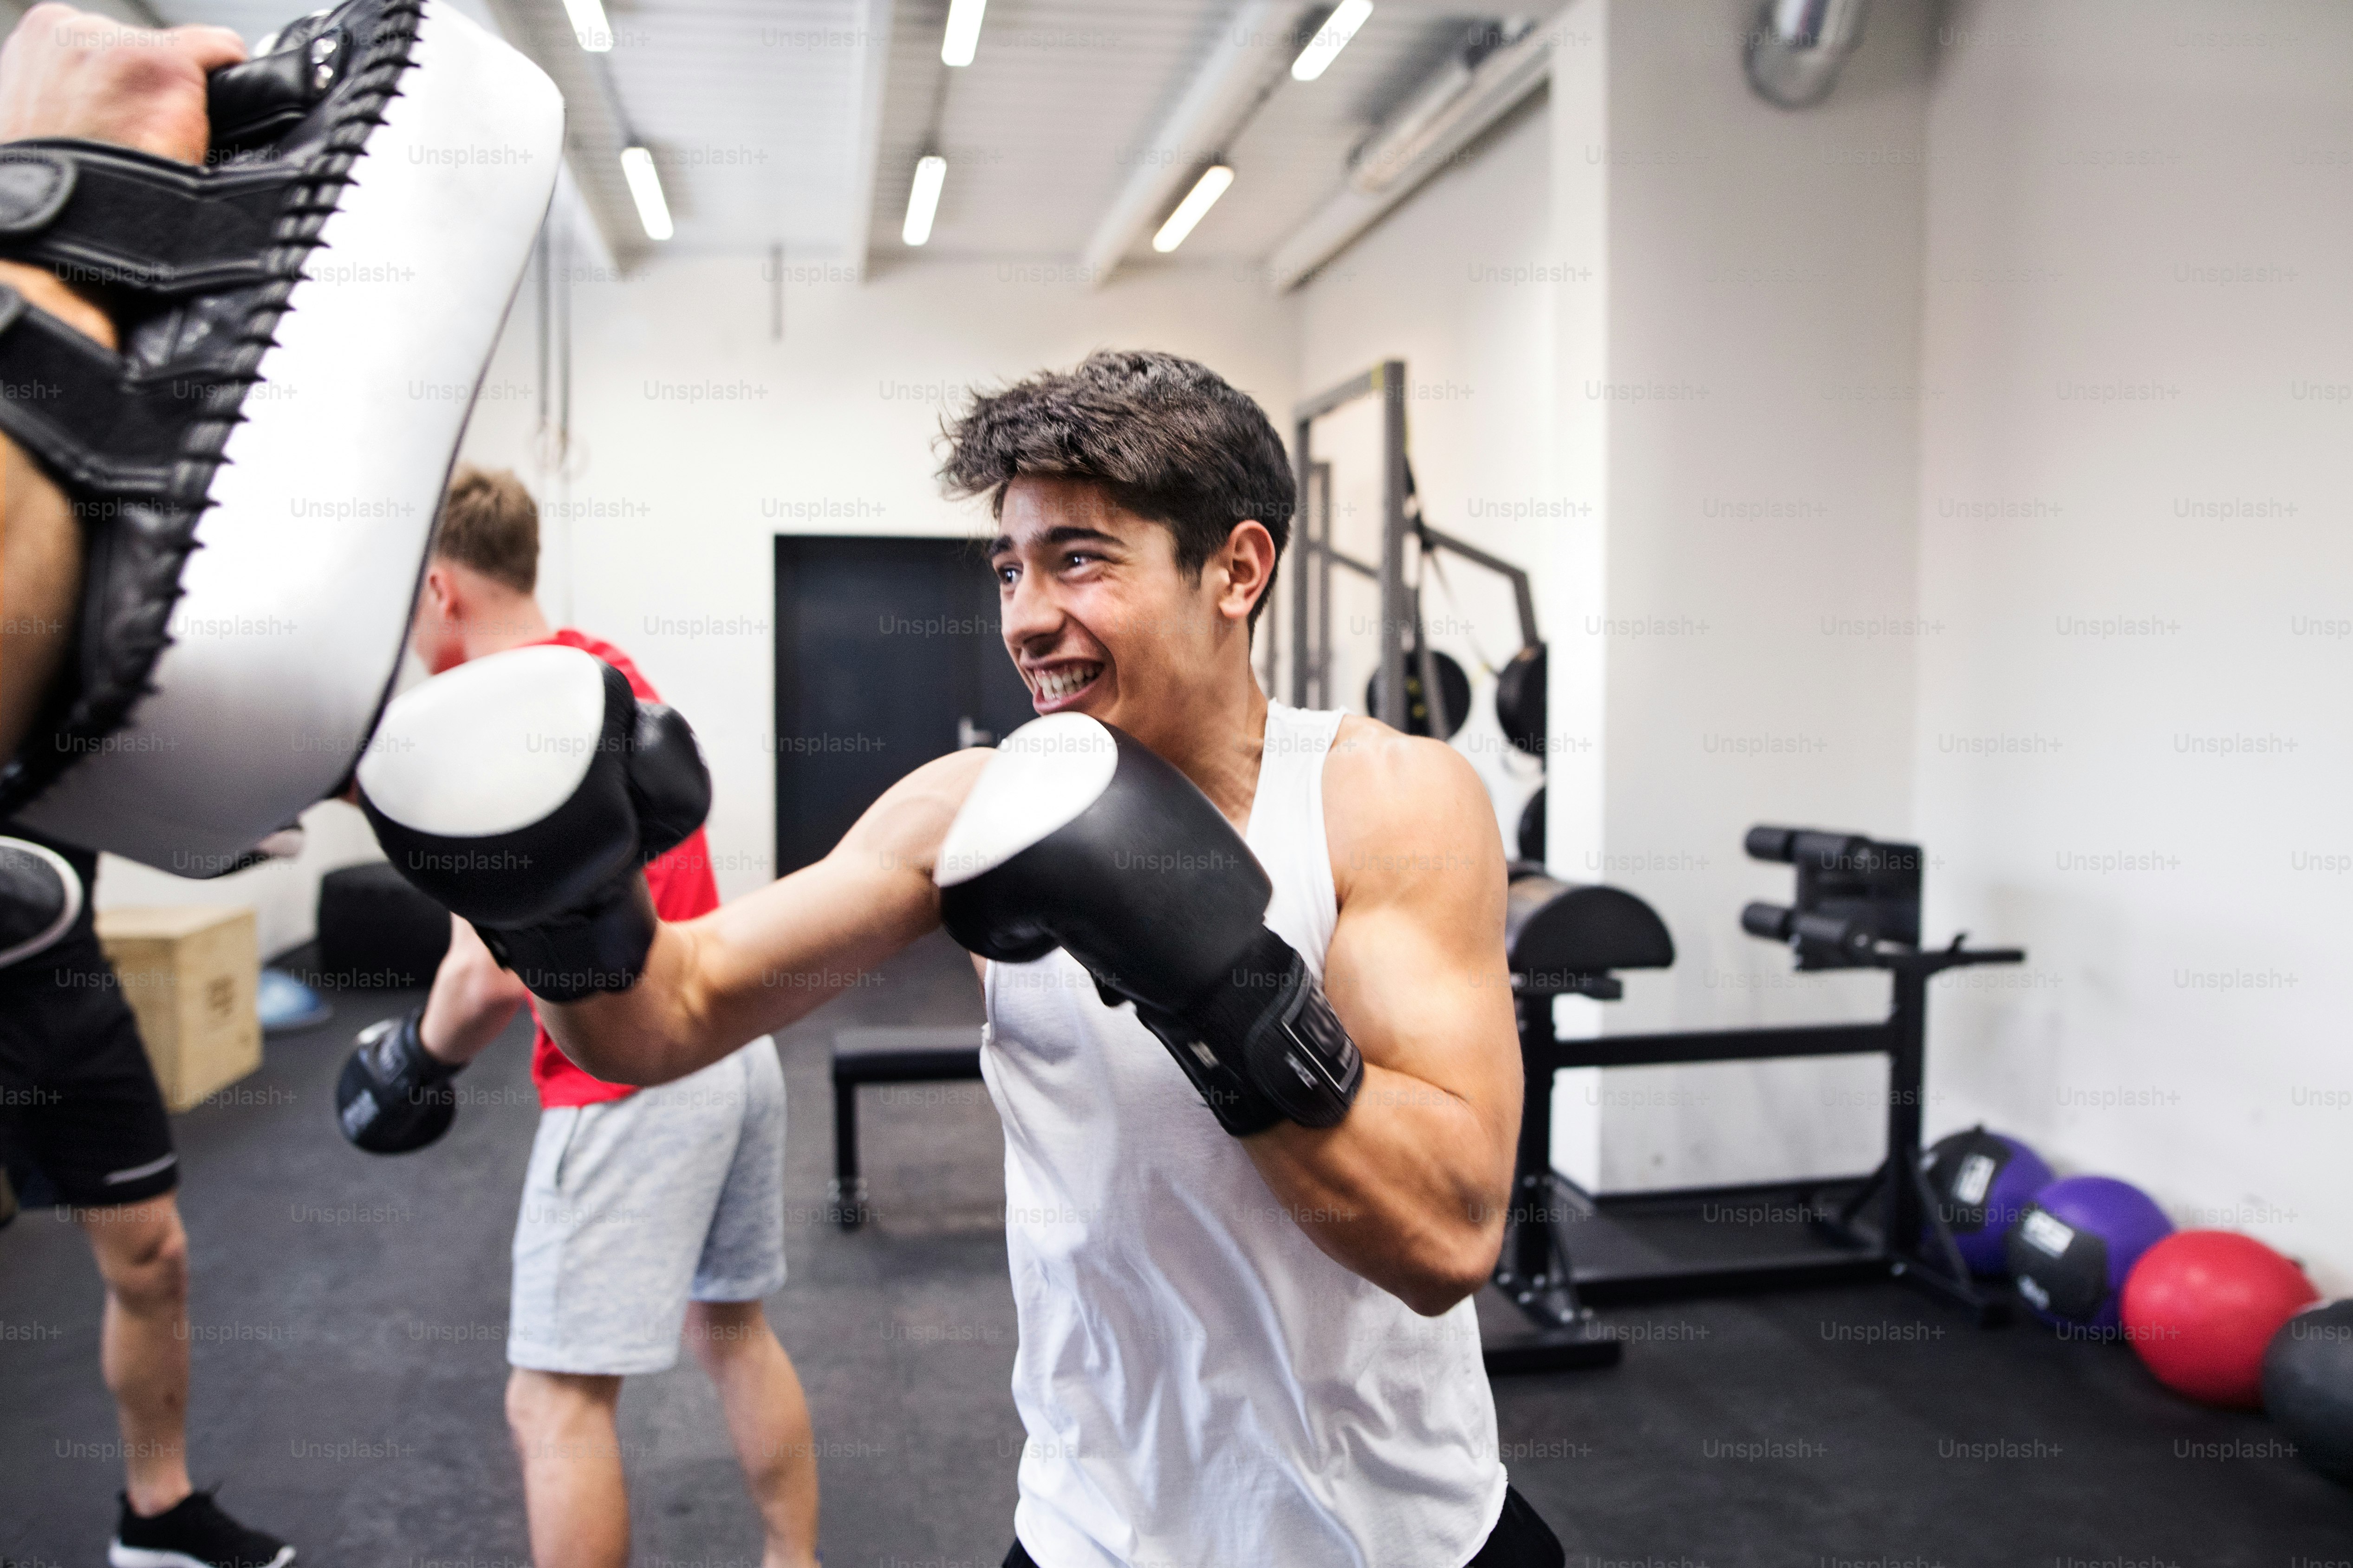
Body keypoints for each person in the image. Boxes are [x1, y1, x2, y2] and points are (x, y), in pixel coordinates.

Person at [358, 352, 1564, 1567]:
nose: (1027, 616)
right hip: (1095, 1528)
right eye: (1009, 568)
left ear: (1236, 570)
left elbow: (1445, 1240)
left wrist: (1215, 991)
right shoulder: (969, 810)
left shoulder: (1385, 801)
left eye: (1079, 559)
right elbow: (662, 1017)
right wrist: (559, 906)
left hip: (1394, 1532)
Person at [335, 467, 822, 1568]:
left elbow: (487, 980)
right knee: (732, 1331)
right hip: (734, 1045)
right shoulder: (606, 676)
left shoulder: (486, 733)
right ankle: (794, 1561)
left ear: (441, 587)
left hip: (629, 1079)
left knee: (551, 1401)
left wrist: (410, 1061)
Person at [0, 826, 295, 1568]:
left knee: (153, 1256)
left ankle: (157, 1512)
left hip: (64, 982)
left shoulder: (69, 709)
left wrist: (247, 805)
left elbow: (131, 798)